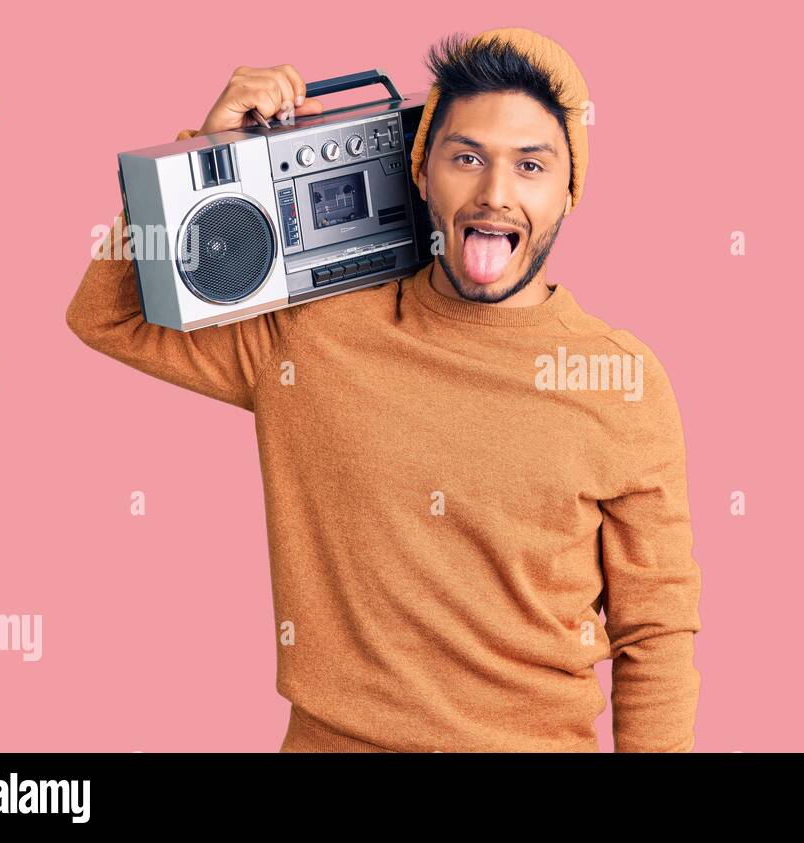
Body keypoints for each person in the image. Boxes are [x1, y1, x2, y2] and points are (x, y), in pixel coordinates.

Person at [65, 27, 702, 752]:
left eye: (531, 165)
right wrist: (203, 164)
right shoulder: (310, 335)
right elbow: (105, 315)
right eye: (467, 157)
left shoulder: (621, 382)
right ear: (422, 171)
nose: (496, 194)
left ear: (569, 191)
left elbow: (656, 633)